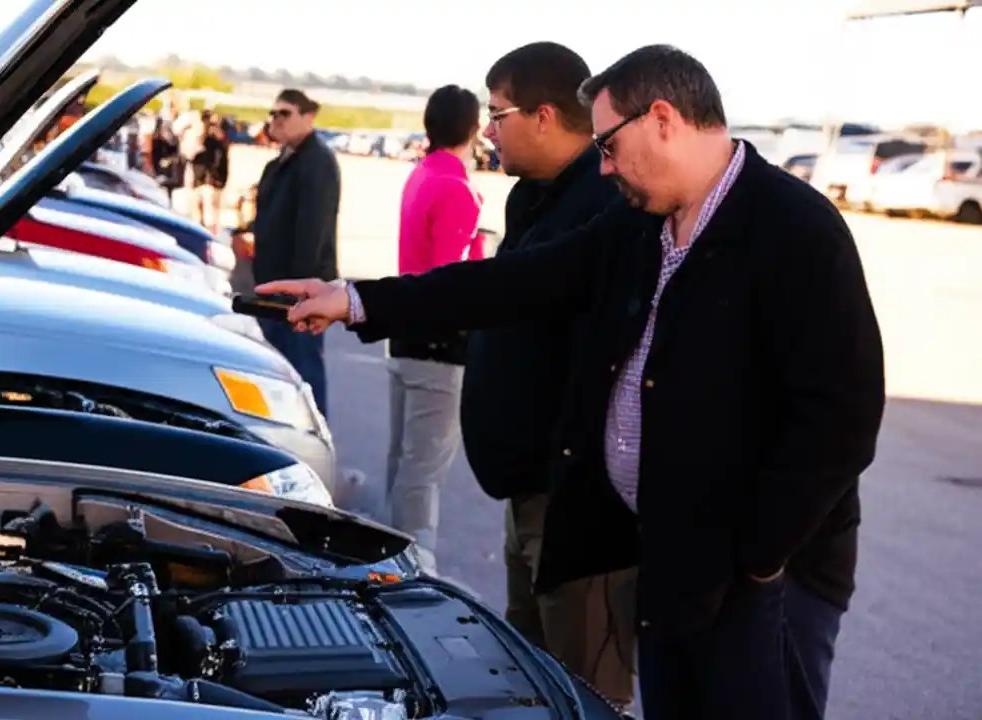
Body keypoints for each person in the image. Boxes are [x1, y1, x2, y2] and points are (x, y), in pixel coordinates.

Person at [259, 45, 886, 720]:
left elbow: (842, 418)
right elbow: (517, 281)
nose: (604, 163)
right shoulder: (641, 224)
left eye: (610, 143)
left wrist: (757, 557)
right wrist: (358, 300)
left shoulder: (795, 230)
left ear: (664, 119)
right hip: (671, 558)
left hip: (764, 578)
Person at [464, 42, 636, 708]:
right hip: (526, 491)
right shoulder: (533, 200)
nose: (487, 128)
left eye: (496, 111)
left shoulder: (604, 207)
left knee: (585, 688)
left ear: (542, 115)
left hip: (574, 503)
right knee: (527, 673)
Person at [383, 84, 486, 575]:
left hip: (404, 336)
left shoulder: (421, 174)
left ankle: (391, 553)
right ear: (473, 127)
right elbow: (451, 282)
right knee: (423, 469)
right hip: (438, 347)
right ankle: (416, 567)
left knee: (401, 460)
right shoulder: (458, 189)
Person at [251, 88, 340, 417]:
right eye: (273, 114)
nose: (276, 120)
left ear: (308, 117)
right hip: (274, 290)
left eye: (285, 113)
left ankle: (315, 456)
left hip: (298, 295)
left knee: (305, 382)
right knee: (278, 382)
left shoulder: (316, 162)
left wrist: (301, 295)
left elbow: (312, 232)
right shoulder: (283, 161)